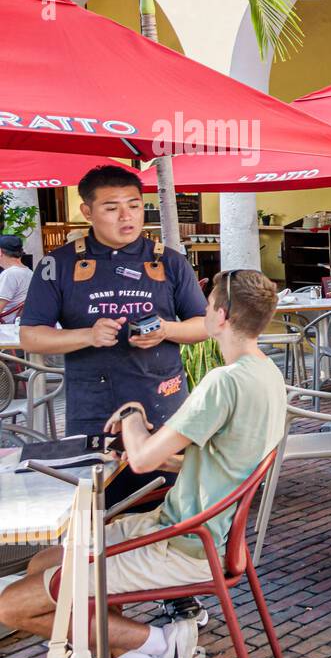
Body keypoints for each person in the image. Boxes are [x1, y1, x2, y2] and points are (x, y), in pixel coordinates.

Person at [0, 269, 287, 658]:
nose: (204, 312)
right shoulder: (266, 375)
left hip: (186, 544)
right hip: (202, 533)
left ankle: (153, 644)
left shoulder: (224, 382)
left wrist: (132, 416)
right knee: (47, 558)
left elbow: (144, 460)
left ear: (222, 317)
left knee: (11, 605)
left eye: (209, 306)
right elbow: (215, 457)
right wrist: (154, 444)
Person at [20, 164, 209, 508]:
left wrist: (166, 330)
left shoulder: (169, 262)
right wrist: (88, 336)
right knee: (97, 507)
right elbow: (32, 337)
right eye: (111, 208)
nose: (127, 216)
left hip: (163, 402)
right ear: (87, 212)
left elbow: (204, 325)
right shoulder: (58, 264)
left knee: (170, 504)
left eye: (134, 205)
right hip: (94, 408)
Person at [0, 234, 32, 320]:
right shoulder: (29, 272)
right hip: (19, 324)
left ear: (0, 252)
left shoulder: (9, 274)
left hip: (6, 327)